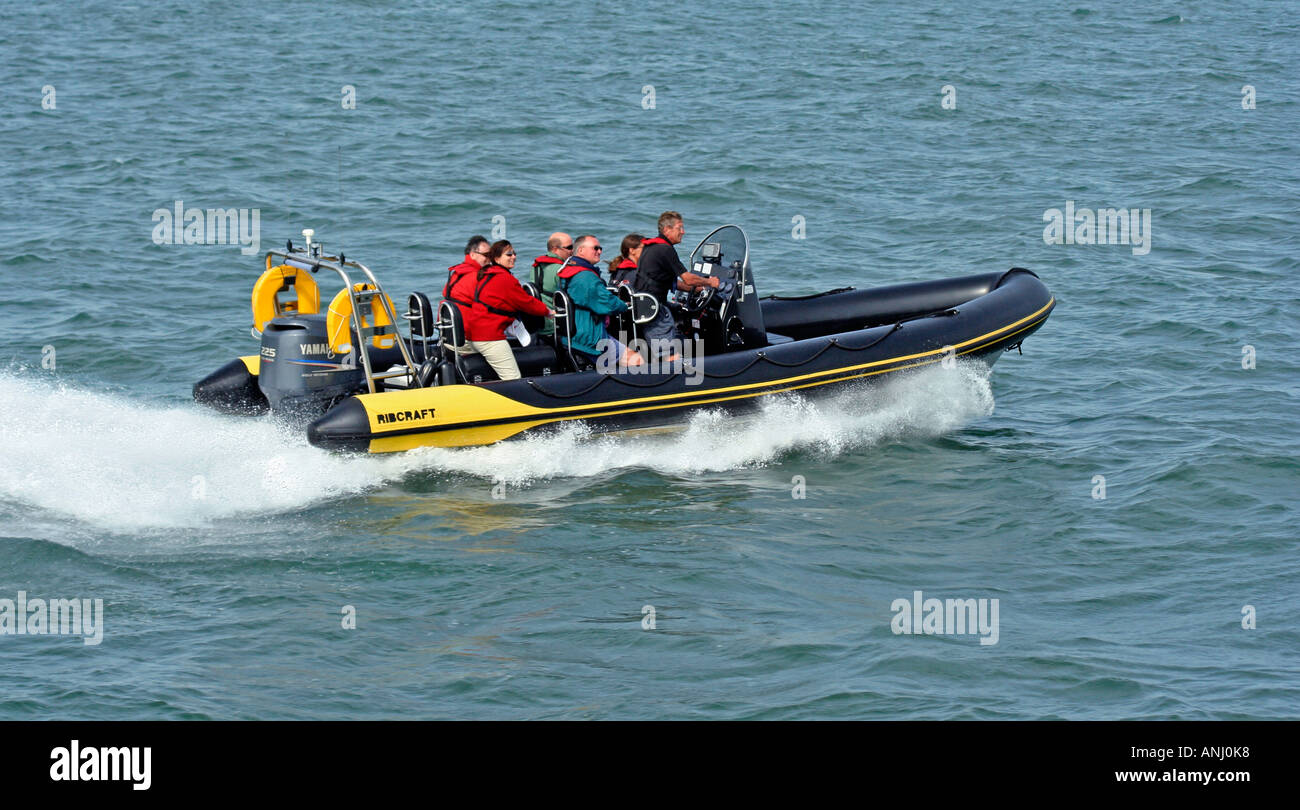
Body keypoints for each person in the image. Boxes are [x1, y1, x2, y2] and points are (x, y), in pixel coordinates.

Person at [448, 239, 551, 381]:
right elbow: (526, 302)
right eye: (508, 254)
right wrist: (548, 312)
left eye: (514, 253)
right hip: (489, 337)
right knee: (513, 378)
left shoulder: (485, 274)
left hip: (471, 335)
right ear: (496, 258)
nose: (514, 257)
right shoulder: (505, 279)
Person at [633, 211, 719, 355]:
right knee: (668, 353)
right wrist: (710, 282)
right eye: (680, 228)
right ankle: (673, 368)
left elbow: (666, 281)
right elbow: (688, 279)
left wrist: (697, 289)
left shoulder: (651, 248)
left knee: (680, 312)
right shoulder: (665, 249)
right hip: (655, 309)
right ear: (667, 229)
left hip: (644, 306)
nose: (683, 232)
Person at [557, 235, 640, 368]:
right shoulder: (585, 276)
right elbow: (607, 303)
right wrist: (624, 305)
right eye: (595, 248)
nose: (599, 251)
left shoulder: (567, 270)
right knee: (636, 360)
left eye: (600, 248)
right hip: (589, 339)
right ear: (581, 250)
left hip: (572, 333)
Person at [531, 232, 573, 337]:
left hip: (538, 322)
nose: (572, 251)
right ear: (555, 249)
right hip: (554, 324)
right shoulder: (562, 270)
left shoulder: (536, 266)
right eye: (569, 247)